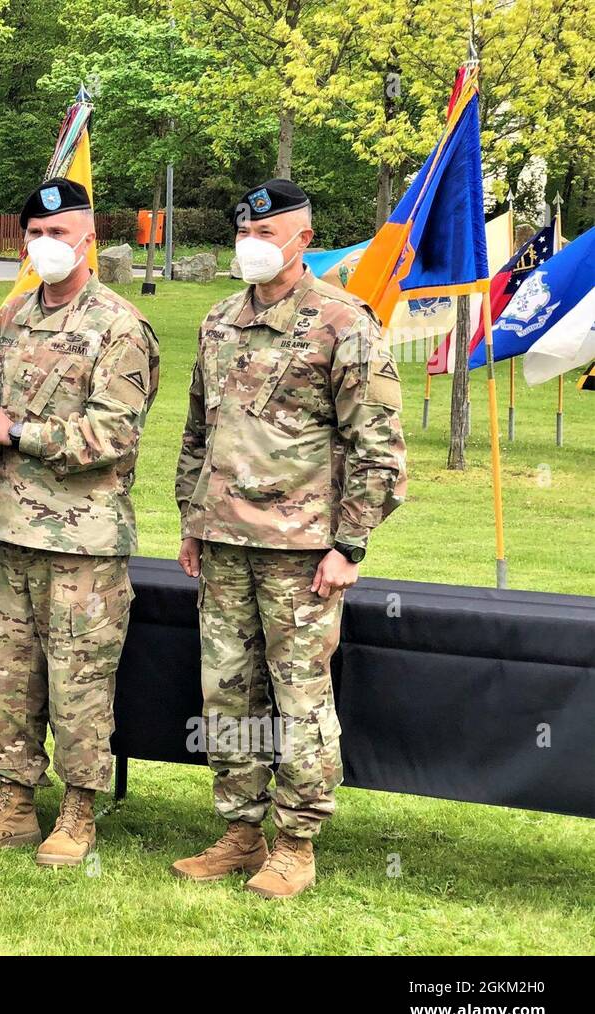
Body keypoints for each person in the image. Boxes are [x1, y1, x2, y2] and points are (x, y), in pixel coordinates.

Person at [171, 178, 407, 898]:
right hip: (221, 544)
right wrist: (191, 517)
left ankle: (296, 842)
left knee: (299, 697)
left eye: (266, 235)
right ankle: (241, 830)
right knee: (228, 694)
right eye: (245, 234)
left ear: (304, 241)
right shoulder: (218, 321)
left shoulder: (344, 322)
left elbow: (380, 449)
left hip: (302, 553)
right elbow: (197, 431)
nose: (252, 246)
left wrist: (350, 545)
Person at [0, 178, 160, 867]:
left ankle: (78, 809)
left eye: (60, 233)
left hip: (84, 539)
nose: (47, 245)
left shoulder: (120, 326)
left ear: (88, 239)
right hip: (10, 530)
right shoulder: (10, 319)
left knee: (79, 679)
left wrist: (18, 432)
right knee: (5, 675)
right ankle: (13, 801)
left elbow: (112, 435)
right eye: (36, 234)